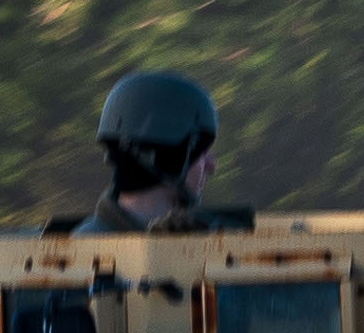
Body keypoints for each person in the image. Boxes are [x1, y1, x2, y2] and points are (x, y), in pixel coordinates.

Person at [55, 69, 234, 235]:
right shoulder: (84, 253)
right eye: (202, 152)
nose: (211, 165)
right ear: (169, 157)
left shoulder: (206, 234)